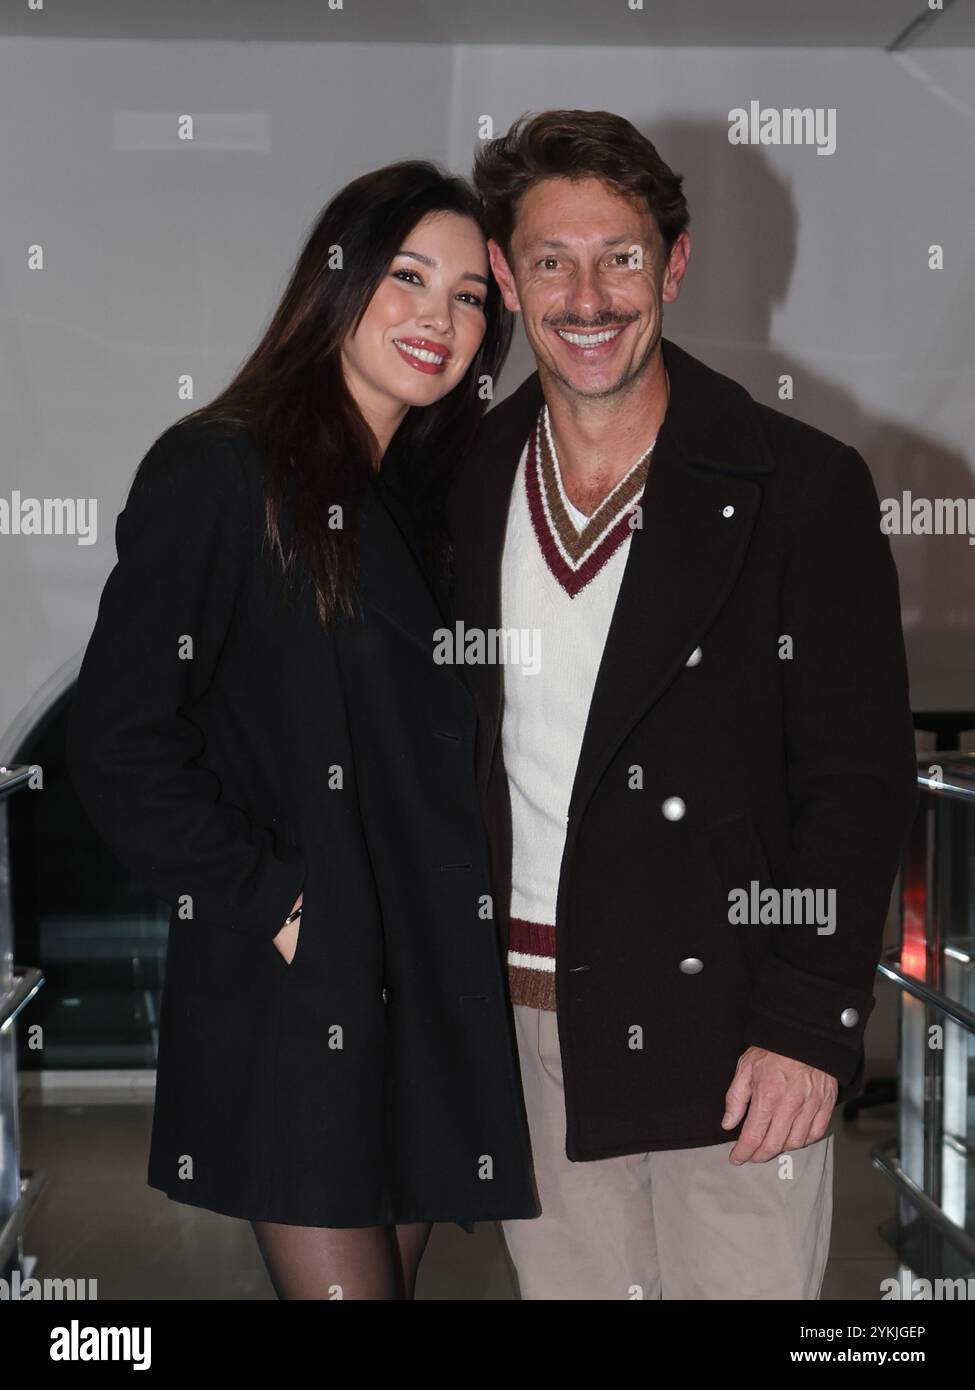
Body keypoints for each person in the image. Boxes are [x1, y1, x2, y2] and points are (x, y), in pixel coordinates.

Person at [447, 110, 919, 1299]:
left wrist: (813, 1021)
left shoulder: (799, 485)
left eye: (621, 257)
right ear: (505, 272)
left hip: (735, 1025)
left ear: (675, 264)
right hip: (529, 1014)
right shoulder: (461, 483)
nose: (587, 298)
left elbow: (855, 783)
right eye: (551, 260)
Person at [66, 161, 538, 1301]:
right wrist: (276, 906)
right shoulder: (221, 468)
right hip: (305, 986)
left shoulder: (429, 504)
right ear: (337, 279)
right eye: (408, 277)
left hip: (430, 977)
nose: (439, 318)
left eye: (470, 297)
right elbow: (119, 737)